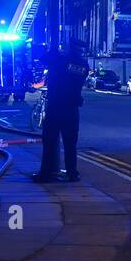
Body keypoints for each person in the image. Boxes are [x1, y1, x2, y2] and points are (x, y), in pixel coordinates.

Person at [33, 38, 90, 183]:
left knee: (50, 140)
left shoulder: (60, 60)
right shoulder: (83, 65)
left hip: (56, 105)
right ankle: (72, 173)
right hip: (72, 108)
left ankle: (46, 173)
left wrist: (54, 52)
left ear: (70, 48)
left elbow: (42, 59)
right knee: (70, 143)